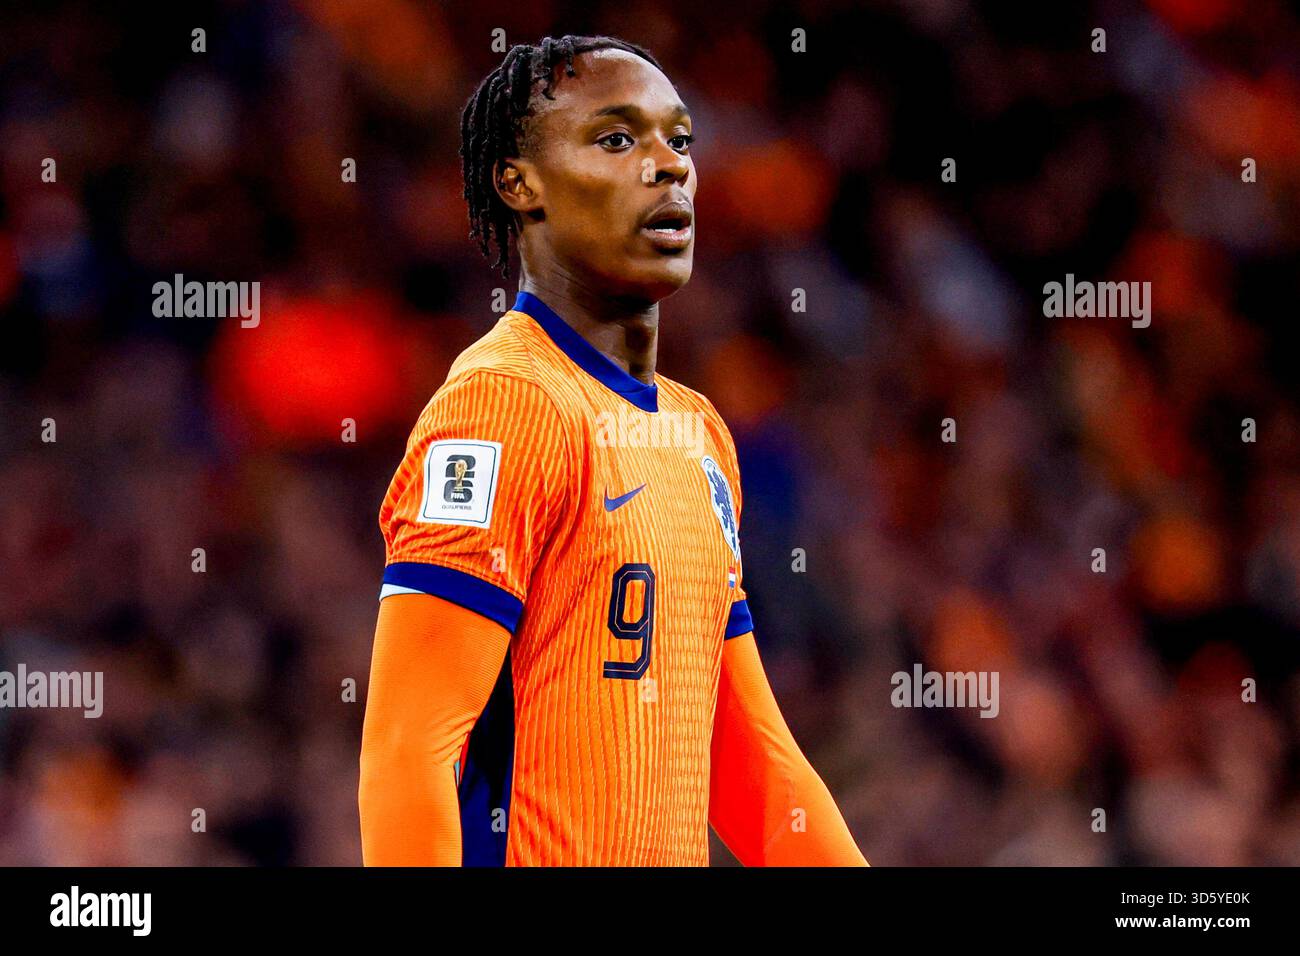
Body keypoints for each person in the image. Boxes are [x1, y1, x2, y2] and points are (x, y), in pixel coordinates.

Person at [359, 34, 867, 866]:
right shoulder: (504, 404)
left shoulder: (698, 434)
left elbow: (752, 769)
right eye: (619, 139)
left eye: (681, 140)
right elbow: (408, 751)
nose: (668, 165)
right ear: (518, 184)